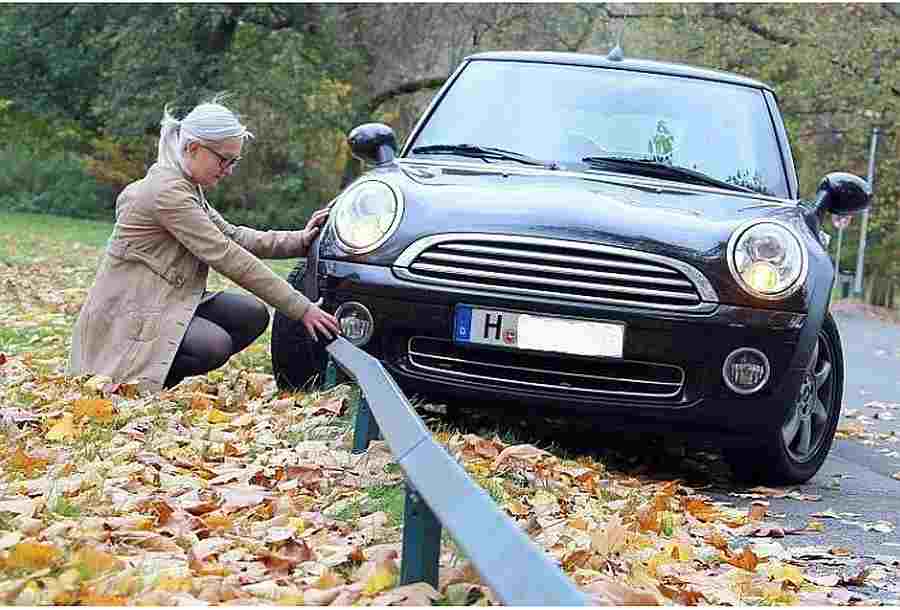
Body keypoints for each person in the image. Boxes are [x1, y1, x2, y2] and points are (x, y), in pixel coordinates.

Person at [68, 100, 340, 392]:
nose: (228, 170)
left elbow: (232, 237)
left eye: (233, 162)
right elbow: (227, 255)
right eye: (224, 159)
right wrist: (302, 308)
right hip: (129, 313)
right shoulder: (168, 192)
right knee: (213, 344)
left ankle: (152, 376)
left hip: (165, 300)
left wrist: (300, 240)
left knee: (251, 314)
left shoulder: (185, 185)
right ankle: (135, 383)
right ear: (193, 148)